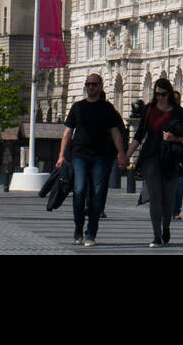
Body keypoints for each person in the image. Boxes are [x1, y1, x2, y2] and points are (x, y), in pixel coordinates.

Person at [56, 73, 128, 246]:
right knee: (79, 191)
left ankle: (91, 233)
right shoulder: (77, 107)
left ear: (100, 86)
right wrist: (61, 156)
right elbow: (67, 132)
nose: (91, 87)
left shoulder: (107, 108)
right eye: (88, 84)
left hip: (100, 157)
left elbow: (115, 132)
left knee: (96, 195)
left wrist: (121, 154)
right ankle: (78, 228)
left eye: (94, 84)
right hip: (80, 155)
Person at [125, 78, 183, 246]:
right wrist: (126, 155)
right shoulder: (148, 110)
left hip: (171, 158)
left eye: (163, 94)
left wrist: (174, 138)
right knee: (155, 196)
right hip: (151, 157)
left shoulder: (179, 113)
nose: (160, 98)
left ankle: (166, 227)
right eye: (157, 94)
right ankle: (156, 235)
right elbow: (139, 135)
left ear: (169, 94)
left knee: (168, 198)